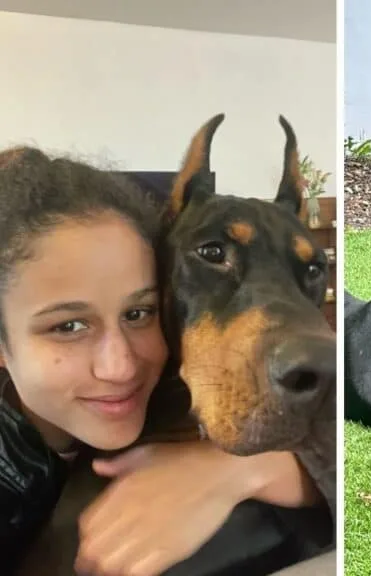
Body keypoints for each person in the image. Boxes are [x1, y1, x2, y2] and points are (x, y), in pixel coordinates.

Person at [0, 146, 326, 575]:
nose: (121, 367)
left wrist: (246, 471)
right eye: (68, 327)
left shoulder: (173, 389)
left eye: (139, 314)